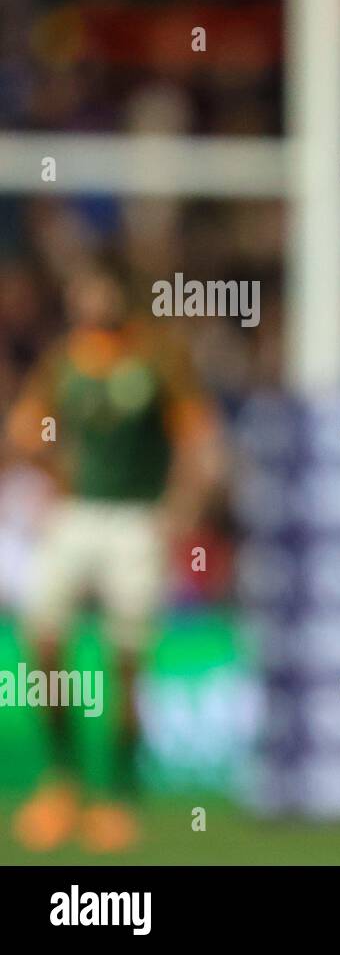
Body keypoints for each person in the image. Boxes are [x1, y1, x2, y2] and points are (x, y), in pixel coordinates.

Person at [4, 261, 223, 853]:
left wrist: (180, 508)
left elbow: (196, 437)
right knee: (42, 637)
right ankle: (63, 780)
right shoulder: (65, 361)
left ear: (119, 297)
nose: (90, 302)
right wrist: (49, 465)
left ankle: (120, 795)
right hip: (75, 513)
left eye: (99, 289)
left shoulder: (156, 359)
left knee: (127, 656)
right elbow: (30, 428)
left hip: (135, 518)